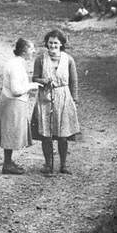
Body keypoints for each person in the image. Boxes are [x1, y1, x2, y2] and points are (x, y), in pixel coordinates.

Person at [31, 28, 81, 175]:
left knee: (63, 134)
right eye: (50, 43)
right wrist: (43, 80)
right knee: (46, 134)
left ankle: (63, 165)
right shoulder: (41, 59)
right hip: (45, 98)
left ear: (61, 44)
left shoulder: (68, 59)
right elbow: (34, 78)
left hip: (63, 96)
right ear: (46, 44)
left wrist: (75, 99)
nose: (52, 46)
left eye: (55, 43)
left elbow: (74, 81)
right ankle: (48, 165)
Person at [0, 37, 39, 175]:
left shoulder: (17, 63)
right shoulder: (15, 65)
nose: (34, 51)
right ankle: (7, 165)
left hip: (12, 101)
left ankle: (8, 162)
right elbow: (16, 90)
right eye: (31, 48)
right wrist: (32, 86)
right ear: (24, 50)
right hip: (12, 102)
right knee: (11, 131)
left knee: (11, 131)